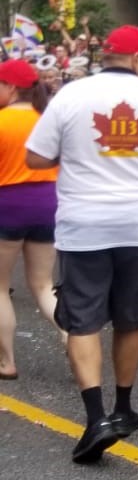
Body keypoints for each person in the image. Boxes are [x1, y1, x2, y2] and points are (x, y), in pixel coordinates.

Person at [25, 25, 138, 461]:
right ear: (137, 60)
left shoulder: (70, 96)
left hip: (84, 224)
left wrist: (77, 153)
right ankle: (123, 408)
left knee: (82, 320)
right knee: (131, 319)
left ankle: (95, 416)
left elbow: (35, 157)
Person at [0, 59, 59, 378]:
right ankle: (69, 336)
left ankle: (7, 361)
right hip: (47, 202)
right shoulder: (48, 118)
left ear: (10, 87)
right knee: (43, 285)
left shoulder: (1, 120)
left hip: (6, 203)